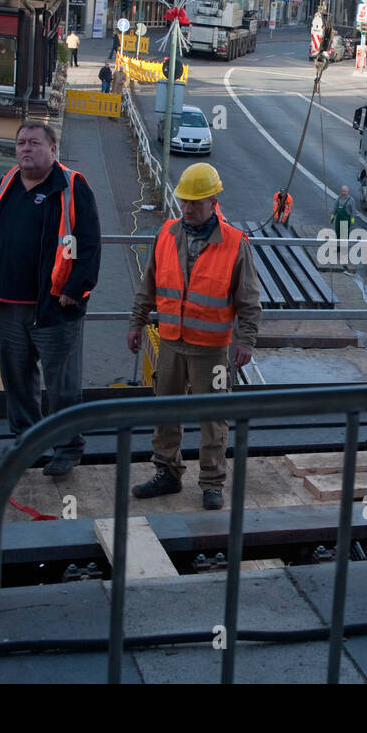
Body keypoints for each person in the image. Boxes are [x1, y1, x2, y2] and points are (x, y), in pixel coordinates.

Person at [0, 122, 101, 477]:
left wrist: (75, 289)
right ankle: (26, 440)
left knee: (61, 384)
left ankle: (68, 447)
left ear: (53, 149)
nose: (26, 149)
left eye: (34, 143)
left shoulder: (72, 186)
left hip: (54, 307)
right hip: (8, 304)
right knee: (18, 380)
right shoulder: (7, 181)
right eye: (21, 143)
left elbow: (89, 243)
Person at [127, 163, 262, 511]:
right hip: (171, 342)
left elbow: (248, 300)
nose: (187, 208)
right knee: (166, 410)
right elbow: (149, 286)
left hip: (212, 351)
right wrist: (136, 323)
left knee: (212, 417)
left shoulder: (235, 244)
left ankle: (212, 483)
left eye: (196, 202)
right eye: (184, 201)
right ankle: (167, 472)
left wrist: (246, 341)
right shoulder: (167, 234)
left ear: (213, 200)